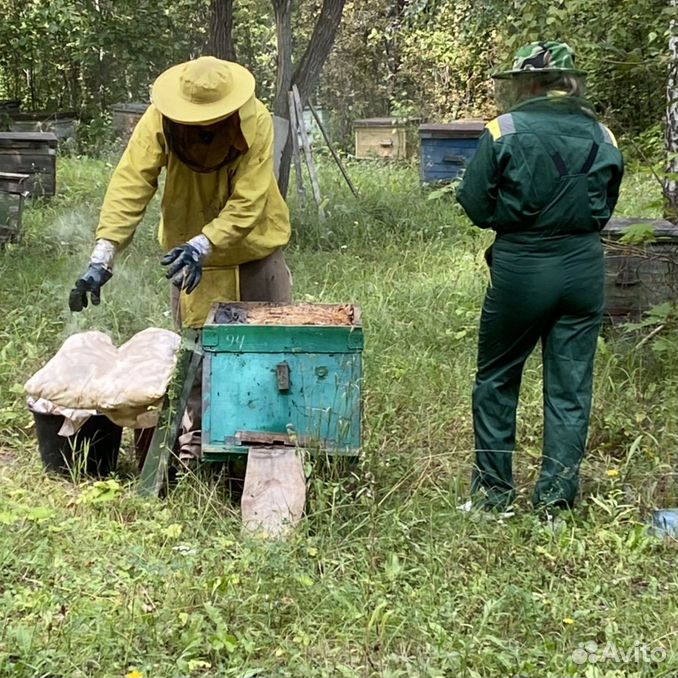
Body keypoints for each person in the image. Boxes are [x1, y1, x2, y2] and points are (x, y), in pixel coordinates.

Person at [69, 56, 292, 459]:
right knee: (197, 362)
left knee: (265, 358)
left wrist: (202, 245)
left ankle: (262, 451)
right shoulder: (159, 119)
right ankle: (198, 452)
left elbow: (250, 199)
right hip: (187, 263)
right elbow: (132, 180)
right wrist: (104, 254)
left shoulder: (254, 119)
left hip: (253, 254)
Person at [456, 41, 624, 511]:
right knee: (571, 388)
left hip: (523, 267)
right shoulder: (603, 136)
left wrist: (514, 218)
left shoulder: (503, 129)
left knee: (497, 378)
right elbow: (605, 206)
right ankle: (556, 503)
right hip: (584, 268)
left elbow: (473, 202)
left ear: (524, 83)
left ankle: (493, 497)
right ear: (572, 82)